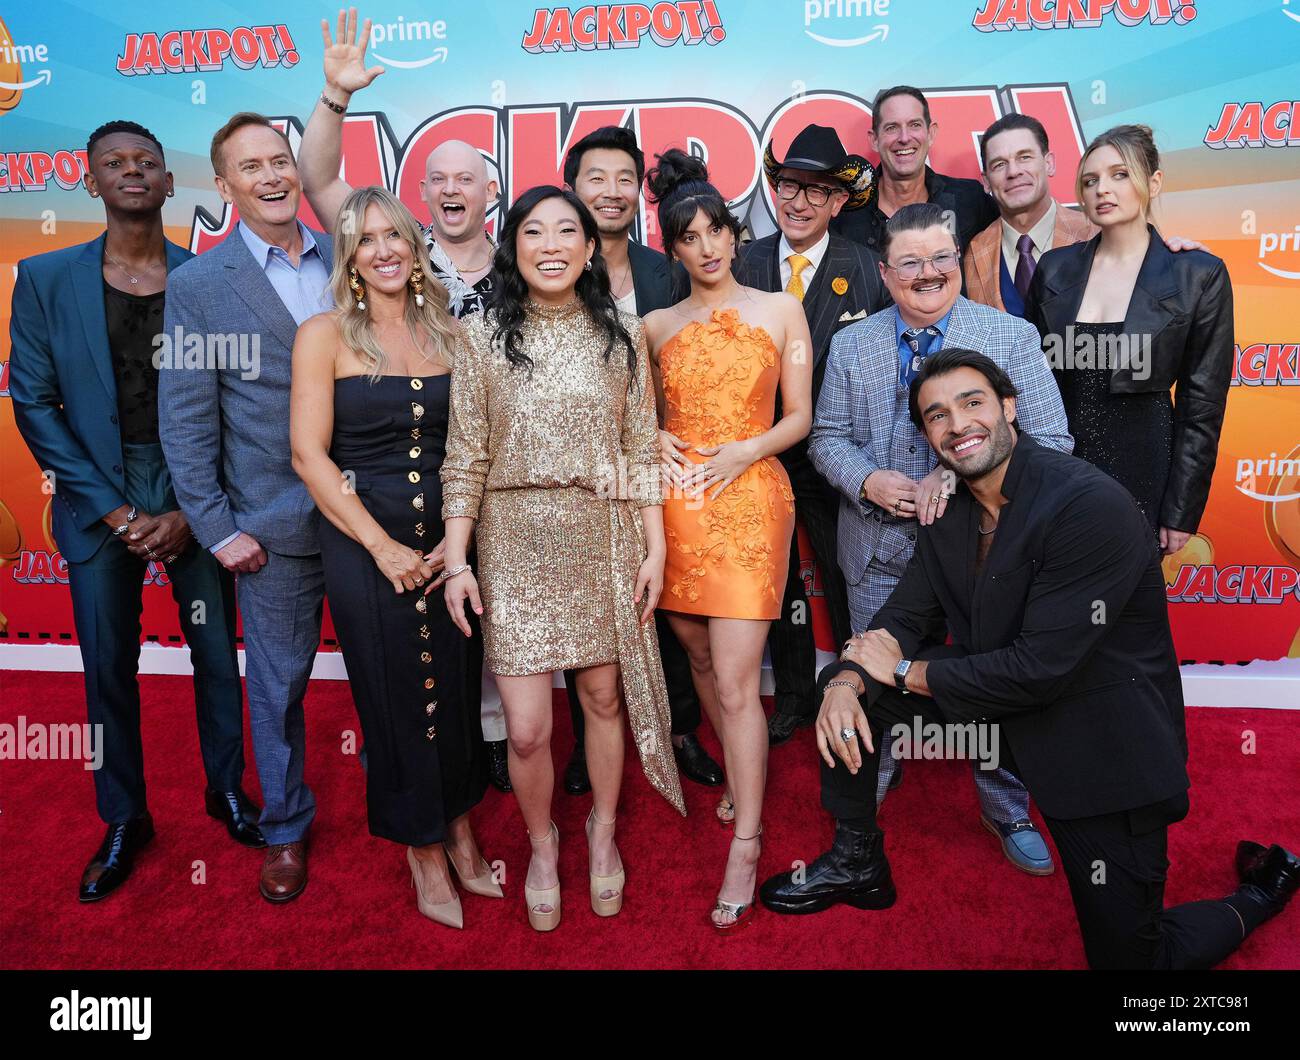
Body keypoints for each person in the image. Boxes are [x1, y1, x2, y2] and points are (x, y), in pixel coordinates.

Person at [760, 348, 1300, 968]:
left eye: (972, 403)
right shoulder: (950, 510)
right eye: (936, 416)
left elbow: (1037, 670)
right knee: (854, 690)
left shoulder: (1086, 504)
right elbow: (907, 615)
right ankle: (858, 859)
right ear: (927, 436)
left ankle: (1262, 890)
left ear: (1010, 408)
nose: (956, 424)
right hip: (1005, 715)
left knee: (1136, 970)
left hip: (1100, 744)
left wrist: (905, 671)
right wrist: (849, 679)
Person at [9, 120, 262, 903]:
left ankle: (226, 791)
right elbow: (34, 403)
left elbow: (236, 408)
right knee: (105, 671)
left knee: (218, 660)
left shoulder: (207, 282)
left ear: (167, 183)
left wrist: (193, 510)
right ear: (90, 183)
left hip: (196, 497)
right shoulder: (46, 280)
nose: (131, 170)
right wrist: (118, 513)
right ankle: (124, 816)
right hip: (95, 503)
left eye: (146, 161)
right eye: (113, 163)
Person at [441, 185, 685, 932]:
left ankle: (601, 829)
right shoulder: (478, 337)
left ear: (589, 247)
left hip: (602, 528)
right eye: (534, 231)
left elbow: (643, 444)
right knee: (526, 728)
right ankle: (542, 844)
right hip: (511, 538)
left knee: (604, 700)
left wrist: (656, 545)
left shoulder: (623, 333)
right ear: (513, 246)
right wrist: (457, 561)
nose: (551, 244)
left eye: (567, 231)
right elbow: (465, 456)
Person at [809, 201, 1072, 876]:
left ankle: (1005, 804)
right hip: (877, 550)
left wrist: (958, 482)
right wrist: (867, 481)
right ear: (884, 270)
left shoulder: (1008, 336)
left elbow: (1053, 440)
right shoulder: (851, 343)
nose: (928, 274)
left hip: (987, 554)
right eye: (912, 262)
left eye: (941, 259)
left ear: (958, 261)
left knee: (995, 685)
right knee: (872, 671)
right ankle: (875, 773)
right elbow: (825, 438)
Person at [299, 8, 510, 790]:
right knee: (412, 675)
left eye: (469, 179)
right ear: (423, 196)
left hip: (483, 492)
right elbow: (321, 179)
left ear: (492, 192)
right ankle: (437, 803)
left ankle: (481, 763)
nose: (453, 190)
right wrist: (335, 98)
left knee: (473, 655)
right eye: (440, 180)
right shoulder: (389, 247)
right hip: (385, 515)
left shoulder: (523, 261)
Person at [290, 186, 497, 928]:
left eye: (395, 236)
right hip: (361, 540)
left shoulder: (452, 329)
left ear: (414, 248)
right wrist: (380, 549)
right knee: (394, 698)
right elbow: (309, 458)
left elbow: (474, 443)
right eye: (365, 239)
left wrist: (457, 539)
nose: (383, 250)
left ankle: (464, 825)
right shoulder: (323, 335)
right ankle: (423, 846)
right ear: (348, 257)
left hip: (452, 541)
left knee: (459, 684)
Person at [159, 112, 334, 903]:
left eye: (280, 160)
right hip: (271, 525)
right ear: (223, 186)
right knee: (278, 688)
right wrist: (217, 528)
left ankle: (422, 817)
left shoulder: (353, 256)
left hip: (376, 518)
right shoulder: (198, 286)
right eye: (250, 167)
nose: (271, 176)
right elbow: (186, 418)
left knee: (399, 678)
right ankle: (286, 829)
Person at [642, 150, 813, 928]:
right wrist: (655, 444)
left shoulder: (782, 309)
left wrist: (747, 449)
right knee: (702, 657)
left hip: (751, 496)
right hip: (676, 510)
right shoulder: (652, 326)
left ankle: (748, 838)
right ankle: (746, 787)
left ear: (735, 236)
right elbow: (637, 424)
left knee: (742, 679)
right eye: (689, 236)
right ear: (672, 248)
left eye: (717, 231)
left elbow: (801, 417)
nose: (707, 246)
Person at [561, 125, 724, 794]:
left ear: (640, 194)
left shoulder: (666, 269)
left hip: (669, 470)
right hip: (585, 475)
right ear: (573, 188)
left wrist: (661, 431)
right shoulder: (556, 266)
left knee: (671, 602)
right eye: (596, 177)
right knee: (589, 609)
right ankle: (586, 741)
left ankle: (682, 728)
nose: (612, 190)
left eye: (624, 178)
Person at [736, 123, 889, 746]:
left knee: (851, 576)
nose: (798, 201)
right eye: (788, 185)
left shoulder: (867, 267)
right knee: (778, 583)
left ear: (837, 201)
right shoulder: (742, 261)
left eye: (815, 190)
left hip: (838, 456)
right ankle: (796, 698)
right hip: (758, 454)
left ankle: (863, 697)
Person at [1025, 124, 1234, 552]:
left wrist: (1180, 509)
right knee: (1059, 606)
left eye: (1120, 175)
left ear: (1153, 182)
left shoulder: (1197, 274)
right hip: (1059, 471)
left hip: (1146, 476)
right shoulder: (1053, 270)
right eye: (1091, 180)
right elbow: (1029, 385)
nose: (1103, 189)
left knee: (1127, 610)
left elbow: (1202, 407)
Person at [964, 113, 1206, 318]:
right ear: (986, 181)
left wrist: (1181, 262)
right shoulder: (974, 250)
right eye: (999, 164)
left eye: (1025, 157)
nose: (1014, 171)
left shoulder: (1100, 231)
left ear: (1049, 163)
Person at [831, 85, 997, 256]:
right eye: (892, 128)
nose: (904, 138)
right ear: (874, 139)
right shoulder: (844, 212)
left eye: (914, 125)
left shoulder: (970, 199)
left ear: (931, 133)